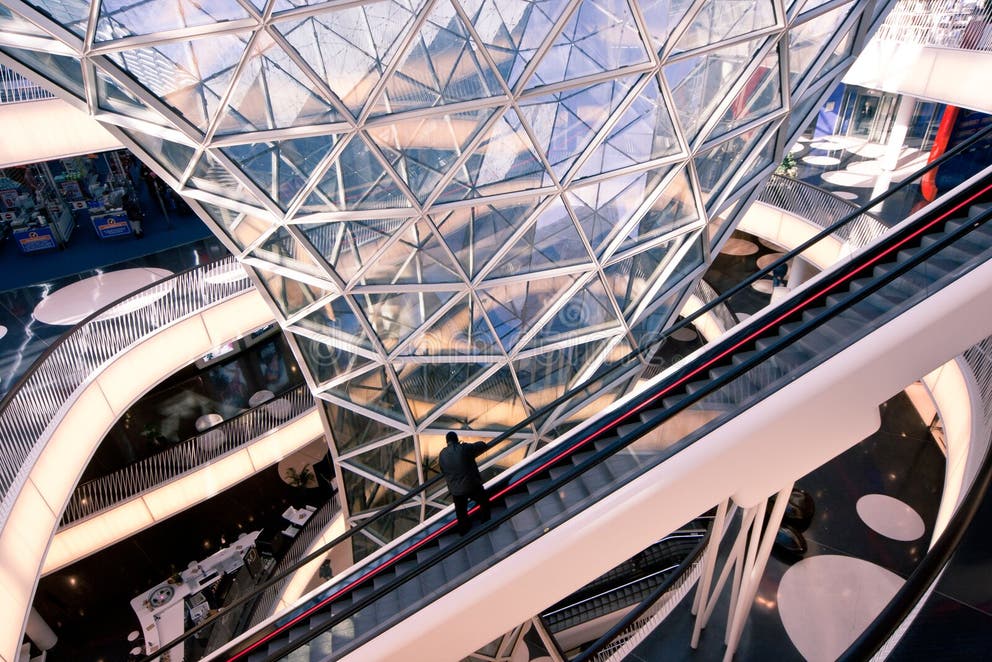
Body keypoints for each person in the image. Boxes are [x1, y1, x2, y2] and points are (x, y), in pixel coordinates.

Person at [439, 431, 491, 535]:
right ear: (456, 439)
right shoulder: (463, 448)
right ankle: (486, 522)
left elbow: (442, 469)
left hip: (456, 490)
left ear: (447, 441)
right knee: (484, 500)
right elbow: (481, 445)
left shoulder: (442, 454)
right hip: (471, 484)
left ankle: (464, 532)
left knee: (461, 512)